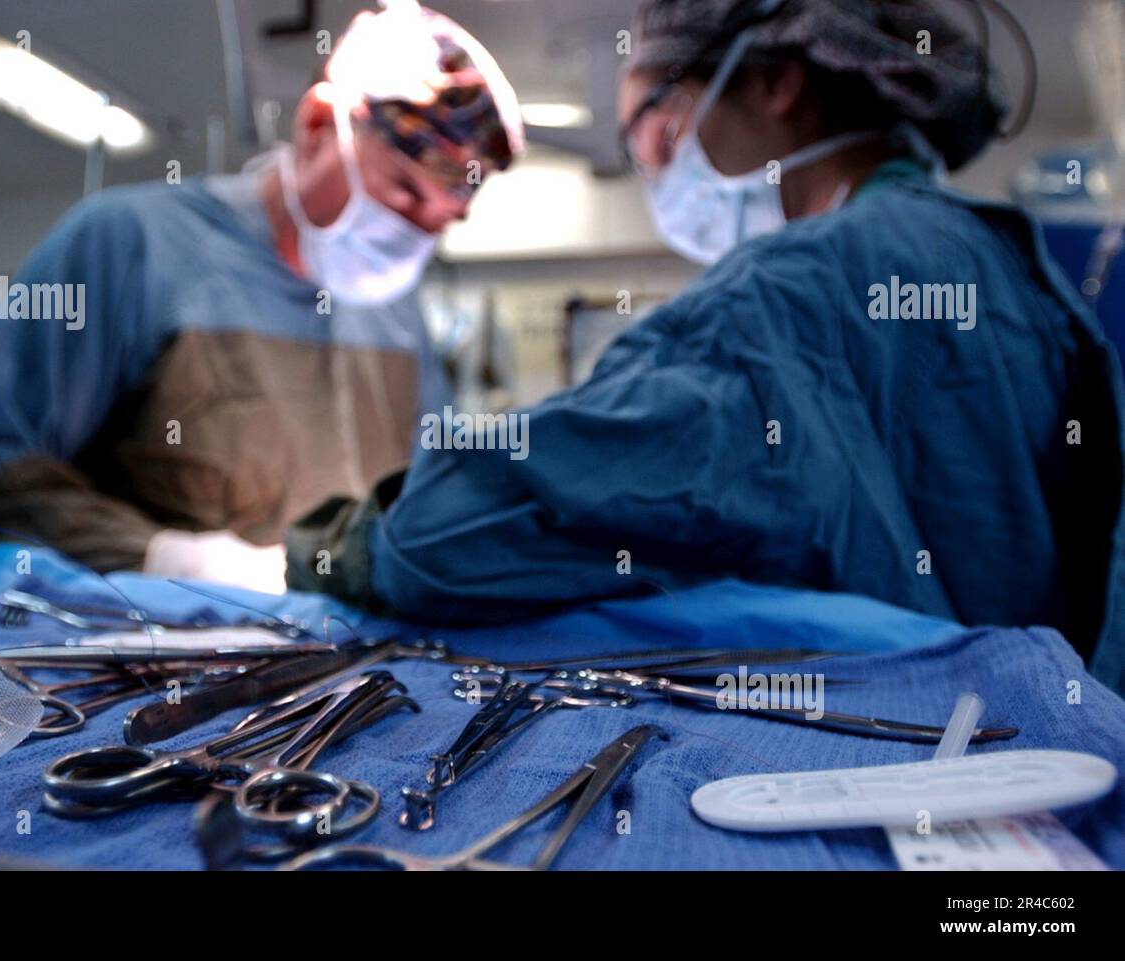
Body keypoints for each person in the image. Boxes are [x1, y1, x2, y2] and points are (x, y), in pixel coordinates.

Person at [286, 0, 1125, 693]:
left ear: (776, 81)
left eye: (657, 134)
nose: (658, 179)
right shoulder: (1009, 265)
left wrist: (330, 545)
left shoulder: (790, 294)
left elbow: (443, 536)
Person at [0, 1, 523, 591]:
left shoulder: (396, 310)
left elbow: (420, 497)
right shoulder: (133, 246)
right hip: (157, 675)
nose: (410, 238)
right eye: (405, 194)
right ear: (314, 128)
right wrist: (164, 560)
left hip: (356, 669)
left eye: (439, 222)